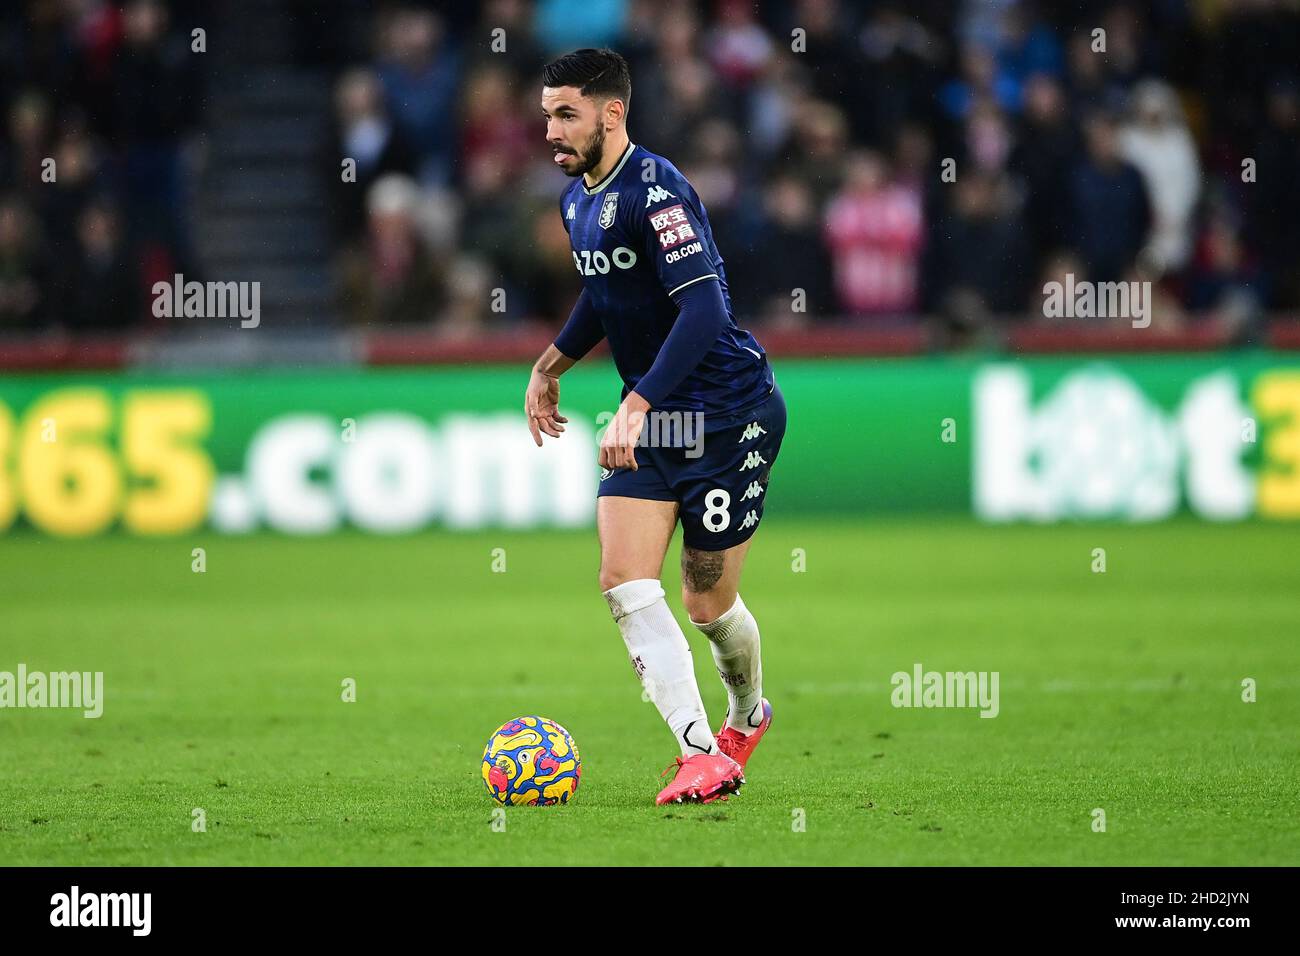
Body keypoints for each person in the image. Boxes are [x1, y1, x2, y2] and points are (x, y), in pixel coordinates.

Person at [523, 49, 785, 805]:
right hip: (656, 424)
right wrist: (551, 364)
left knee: (706, 603)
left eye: (566, 114)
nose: (551, 132)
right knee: (623, 580)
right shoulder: (578, 199)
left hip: (728, 416)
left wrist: (636, 404)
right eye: (546, 115)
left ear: (612, 113)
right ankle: (700, 753)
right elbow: (603, 293)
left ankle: (747, 713)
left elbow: (704, 309)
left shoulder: (657, 190)